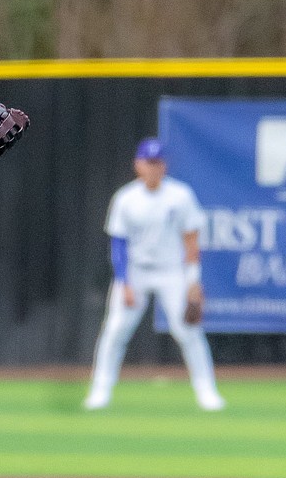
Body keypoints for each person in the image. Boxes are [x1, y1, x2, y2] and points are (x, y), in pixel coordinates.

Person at [84, 136, 224, 413]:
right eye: (149, 162)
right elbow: (119, 245)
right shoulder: (126, 198)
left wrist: (193, 280)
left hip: (172, 271)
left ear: (165, 165)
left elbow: (192, 240)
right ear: (138, 165)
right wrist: (123, 282)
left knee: (188, 332)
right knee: (115, 332)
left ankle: (207, 392)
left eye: (158, 162)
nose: (153, 168)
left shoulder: (180, 196)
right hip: (136, 271)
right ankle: (100, 391)